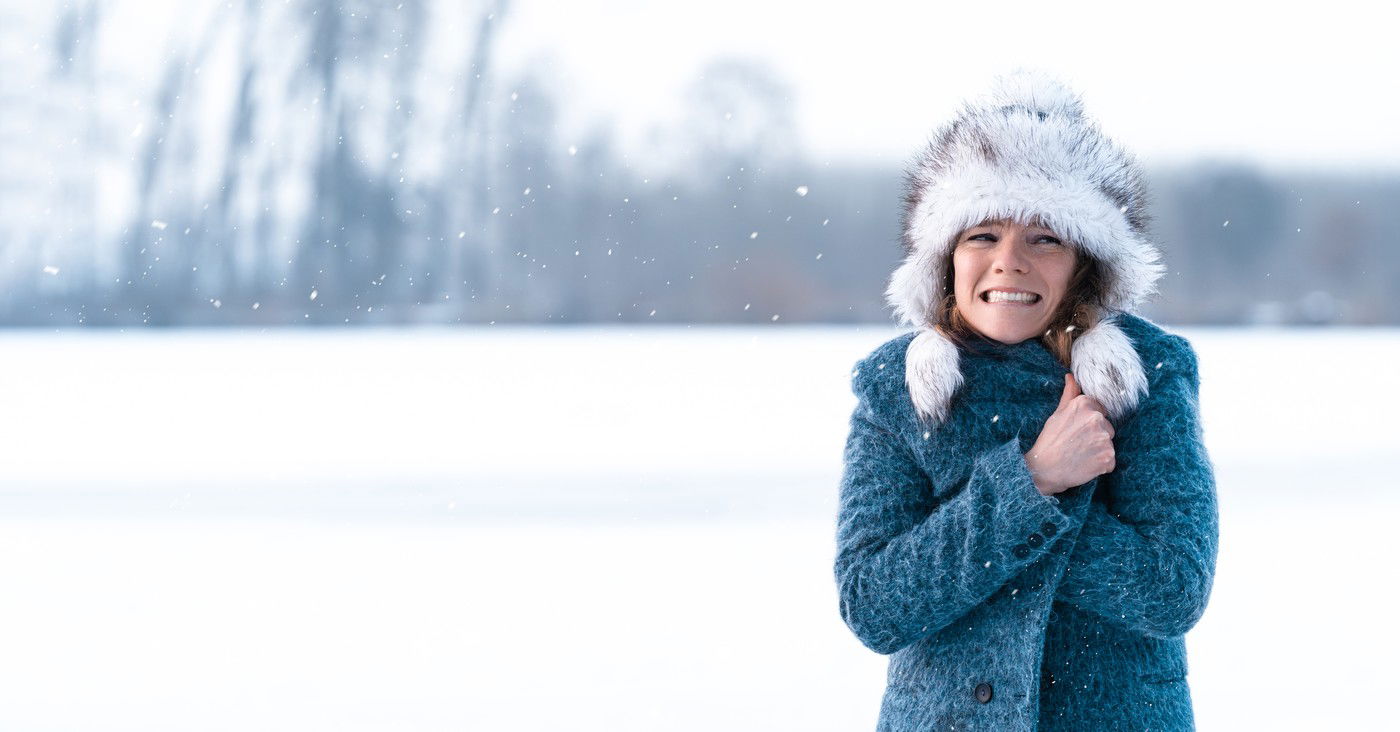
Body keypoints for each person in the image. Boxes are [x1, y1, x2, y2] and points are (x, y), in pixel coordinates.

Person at [833, 70, 1219, 731]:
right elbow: (874, 606)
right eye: (982, 234)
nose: (1010, 261)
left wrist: (981, 523)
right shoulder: (895, 387)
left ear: (1085, 263)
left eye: (1045, 237)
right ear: (946, 258)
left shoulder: (1147, 374)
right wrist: (1033, 481)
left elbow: (1170, 592)